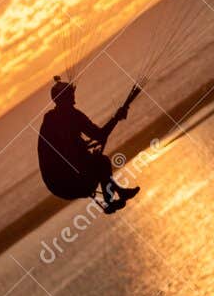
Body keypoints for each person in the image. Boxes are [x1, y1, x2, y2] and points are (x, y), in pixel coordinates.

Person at [37, 76, 141, 212]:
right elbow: (100, 135)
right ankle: (110, 201)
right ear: (65, 97)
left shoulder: (49, 119)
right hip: (71, 182)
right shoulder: (72, 116)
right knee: (102, 162)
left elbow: (62, 148)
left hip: (57, 185)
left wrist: (84, 150)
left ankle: (119, 192)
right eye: (70, 93)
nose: (73, 94)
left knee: (99, 162)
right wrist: (116, 118)